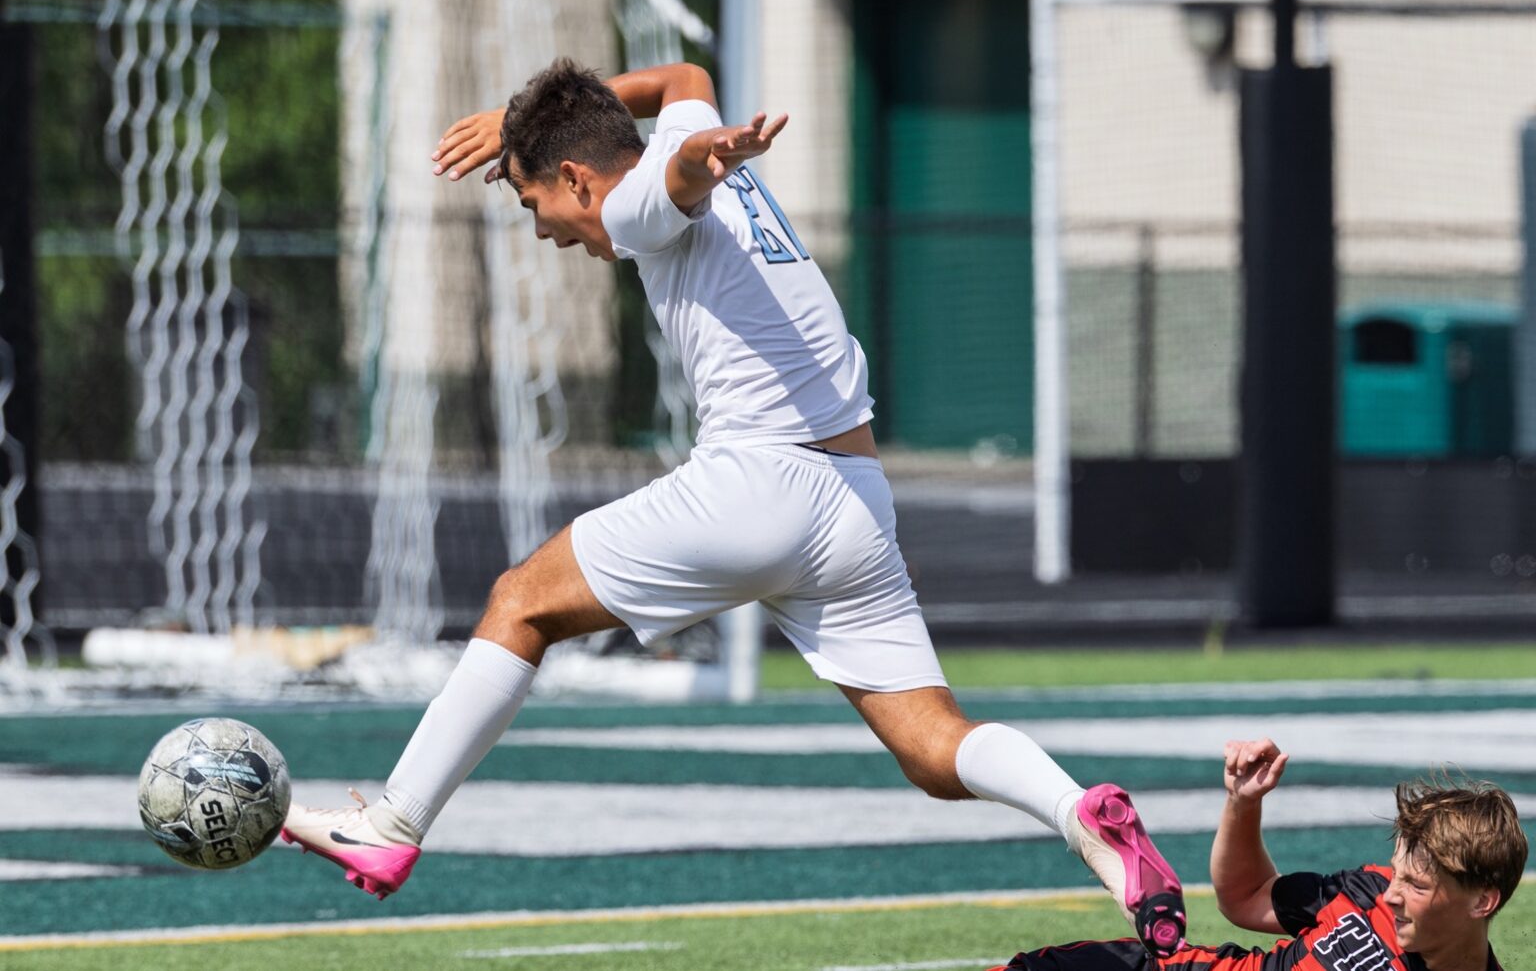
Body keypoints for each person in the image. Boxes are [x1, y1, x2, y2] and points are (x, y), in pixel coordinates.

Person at [279, 59, 1186, 958]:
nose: (546, 230)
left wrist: (699, 162)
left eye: (534, 206)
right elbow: (683, 72)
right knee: (932, 748)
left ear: (576, 179)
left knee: (521, 600)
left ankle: (393, 823)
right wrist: (541, 125)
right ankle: (1079, 813)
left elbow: (664, 185)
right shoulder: (671, 130)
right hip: (855, 500)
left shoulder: (638, 194)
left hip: (762, 485)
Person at [999, 738, 1526, 970]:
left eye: (1416, 885)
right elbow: (1245, 897)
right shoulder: (1365, 891)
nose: (1393, 893)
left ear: (1482, 901)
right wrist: (1242, 804)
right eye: (1398, 873)